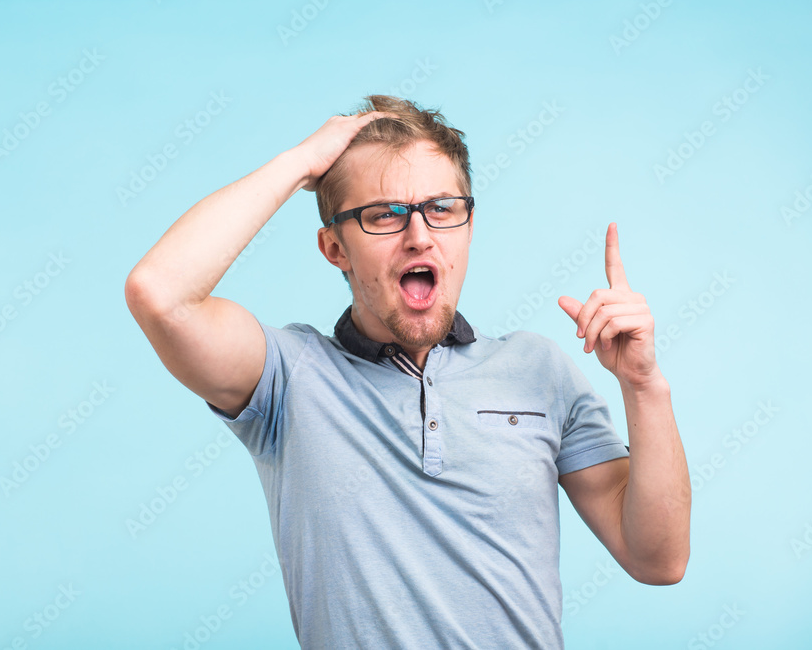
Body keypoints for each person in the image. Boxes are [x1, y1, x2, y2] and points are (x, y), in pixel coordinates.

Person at [124, 95, 691, 649]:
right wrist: (301, 162)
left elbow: (659, 560)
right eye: (384, 214)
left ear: (468, 228)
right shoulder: (285, 377)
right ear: (334, 249)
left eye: (441, 209)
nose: (419, 235)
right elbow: (161, 295)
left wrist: (644, 386)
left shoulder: (540, 369)